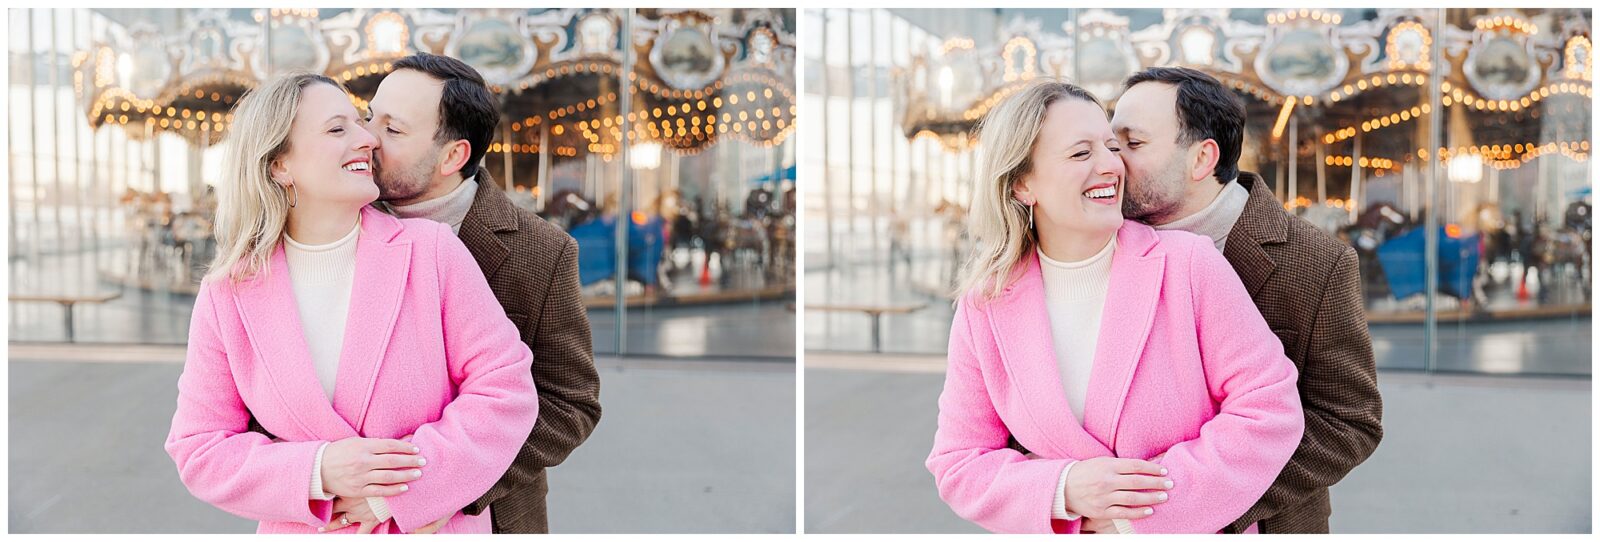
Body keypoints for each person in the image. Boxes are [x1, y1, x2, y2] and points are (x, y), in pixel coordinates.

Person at [165, 73, 539, 534]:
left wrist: (401, 492)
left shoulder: (432, 251)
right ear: (280, 164)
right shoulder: (229, 292)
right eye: (338, 128)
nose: (367, 139)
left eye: (358, 123)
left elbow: (504, 387)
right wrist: (318, 469)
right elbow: (199, 447)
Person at [926, 78, 1304, 534]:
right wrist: (1064, 489)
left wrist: (1135, 509)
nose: (1110, 165)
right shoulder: (985, 303)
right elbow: (959, 461)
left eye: (1111, 146)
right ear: (1023, 184)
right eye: (1082, 153)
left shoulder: (1188, 265)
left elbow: (1269, 408)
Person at [1110, 66, 1383, 533]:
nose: (1111, 160)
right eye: (1110, 143)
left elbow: (1348, 420)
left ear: (1201, 159)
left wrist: (1212, 499)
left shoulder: (1316, 262)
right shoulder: (1094, 242)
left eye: (1132, 145)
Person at [359, 52, 602, 533]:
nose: (368, 139)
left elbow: (570, 401)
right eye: (370, 117)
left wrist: (452, 486)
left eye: (394, 129)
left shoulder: (541, 251)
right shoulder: (331, 221)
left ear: (453, 156)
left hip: (487, 518)